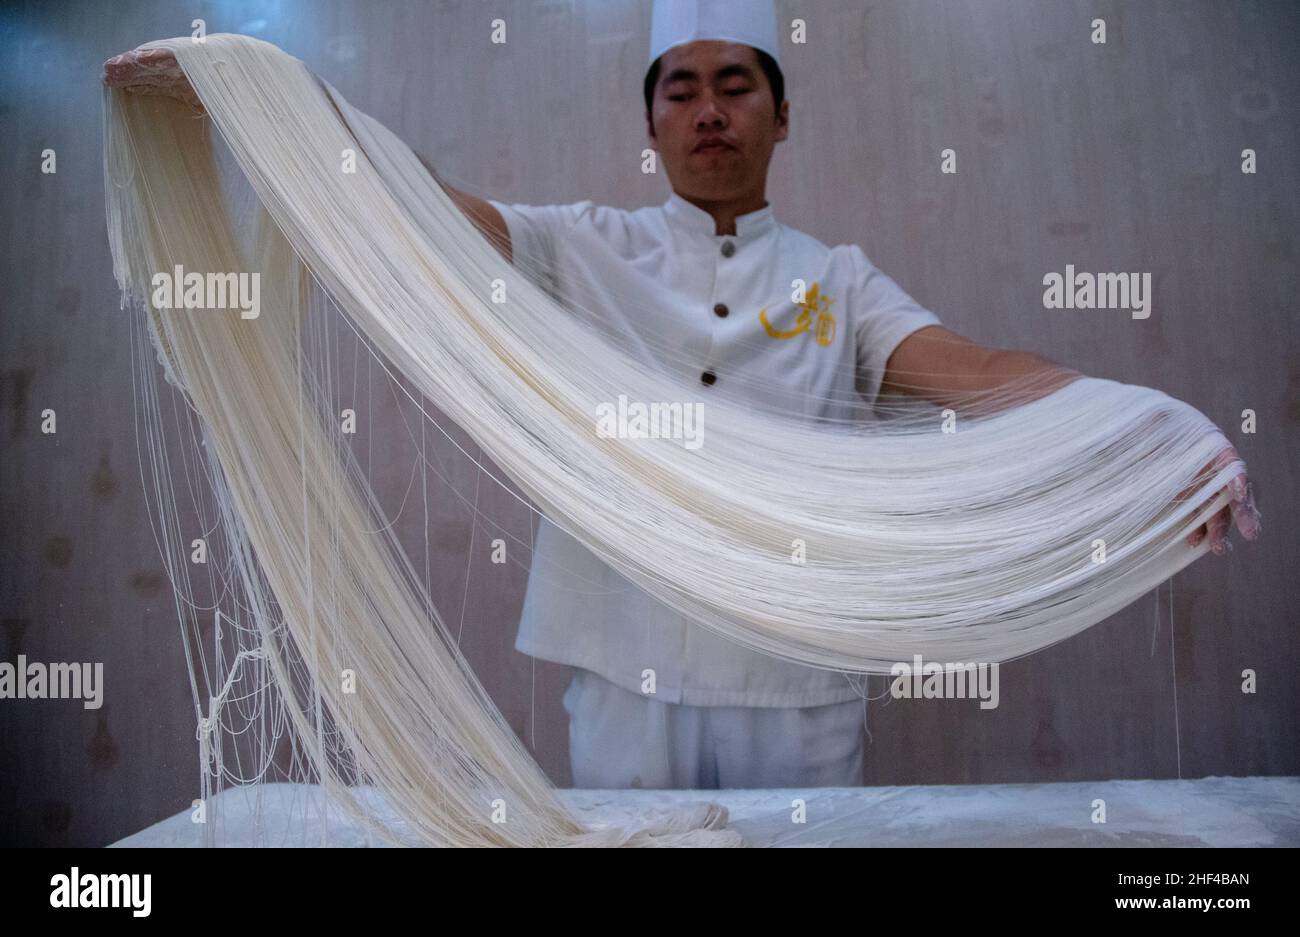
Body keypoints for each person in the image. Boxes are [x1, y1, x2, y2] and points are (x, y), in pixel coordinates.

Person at [103, 0, 1260, 792]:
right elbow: (407, 206)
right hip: (624, 664)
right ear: (651, 125)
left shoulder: (836, 280)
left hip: (794, 673)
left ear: (780, 113)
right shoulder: (579, 247)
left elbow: (984, 375)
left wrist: (1147, 431)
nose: (710, 110)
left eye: (737, 85)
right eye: (684, 89)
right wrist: (263, 100)